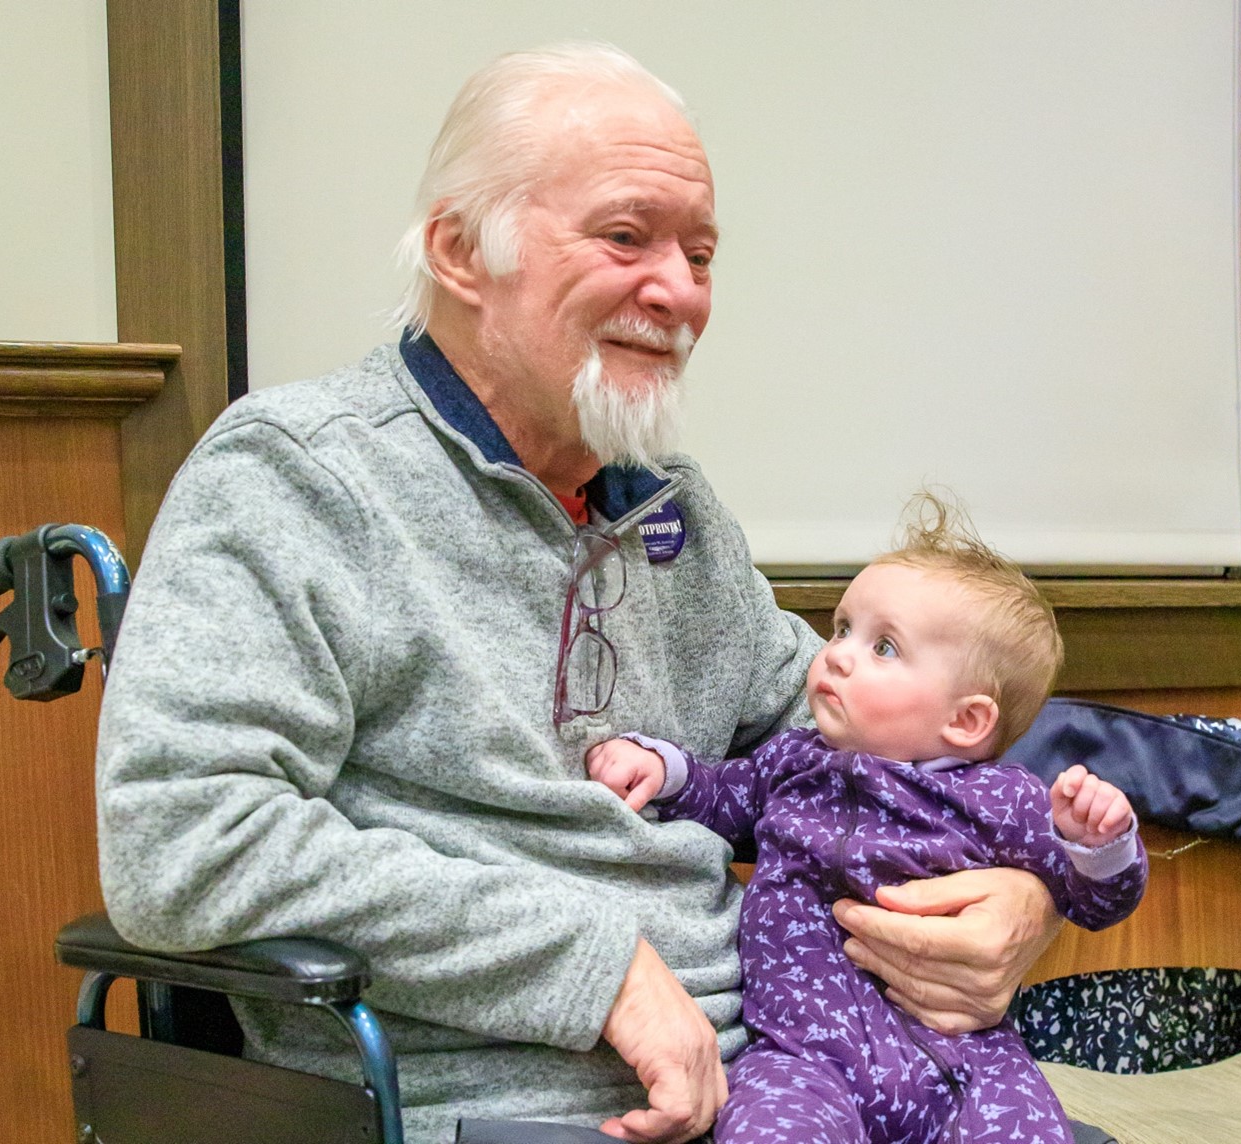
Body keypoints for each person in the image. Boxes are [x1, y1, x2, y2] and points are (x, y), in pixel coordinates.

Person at [95, 42, 1061, 1143]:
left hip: (791, 1083)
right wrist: (594, 968)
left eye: (699, 254)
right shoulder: (297, 476)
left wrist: (1020, 892)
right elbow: (181, 840)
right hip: (504, 1105)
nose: (679, 292)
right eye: (624, 237)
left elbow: (878, 736)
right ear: (462, 251)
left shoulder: (669, 509)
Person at [587, 496, 1147, 1143]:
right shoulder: (796, 761)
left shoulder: (1007, 800)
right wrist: (667, 769)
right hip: (802, 1056)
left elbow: (1094, 900)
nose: (838, 655)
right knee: (767, 1129)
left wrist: (1098, 845)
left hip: (966, 1062)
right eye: (842, 628)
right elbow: (726, 794)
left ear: (965, 721)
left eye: (883, 646)